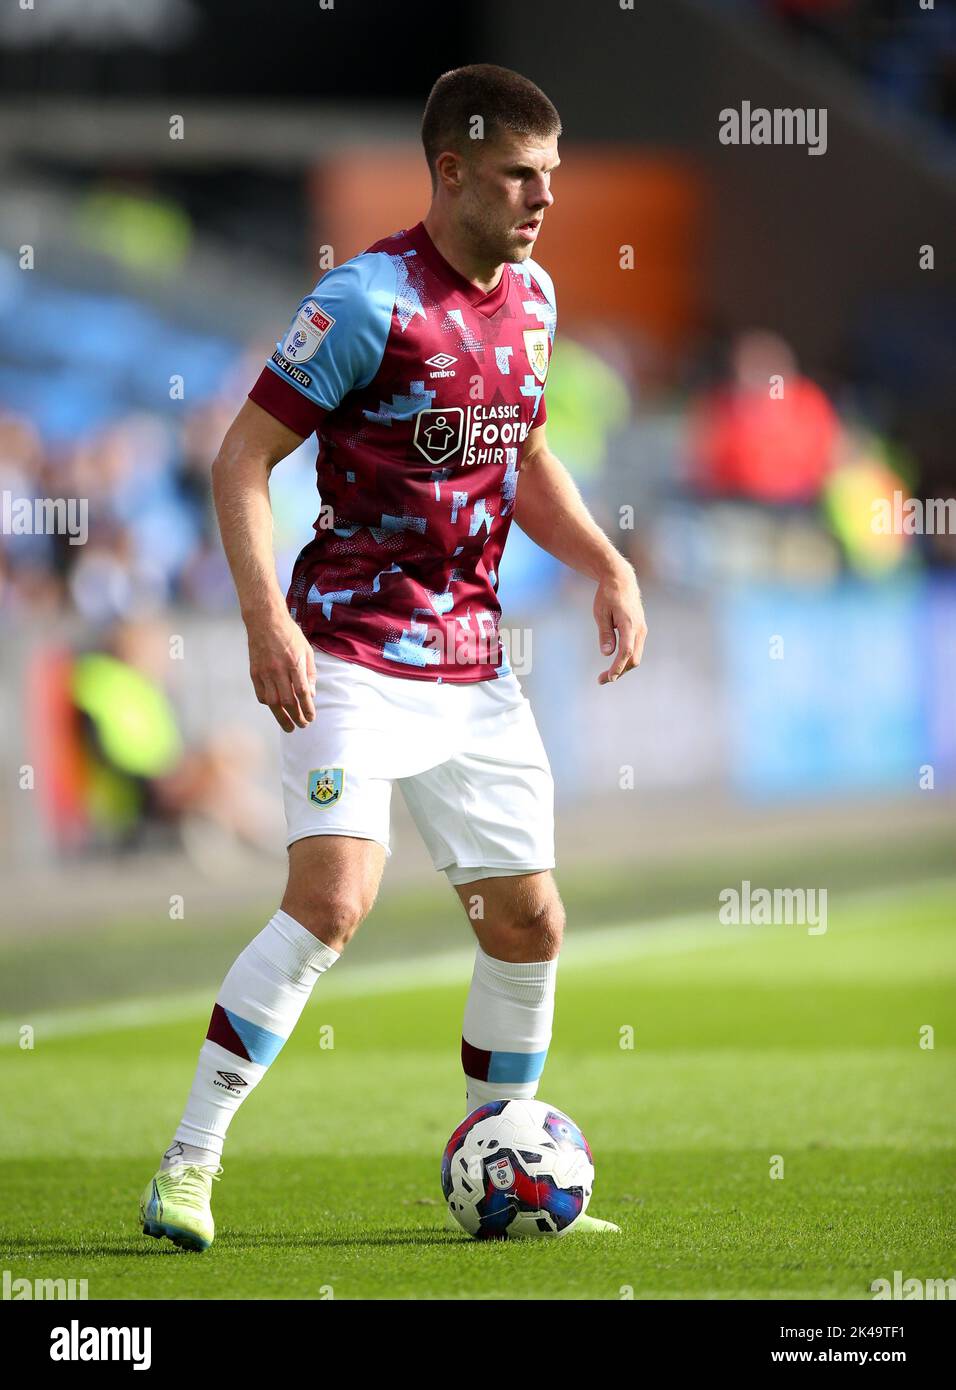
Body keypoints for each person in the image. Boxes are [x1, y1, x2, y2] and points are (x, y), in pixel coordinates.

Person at [139, 63, 647, 1250]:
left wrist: (607, 565)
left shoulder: (532, 299)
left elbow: (515, 460)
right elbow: (240, 458)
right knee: (331, 902)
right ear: (453, 168)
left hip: (473, 664)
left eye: (553, 177)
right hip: (351, 652)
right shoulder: (365, 300)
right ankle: (188, 1163)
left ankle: (504, 1156)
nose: (541, 198)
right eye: (521, 175)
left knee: (526, 923)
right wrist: (265, 620)